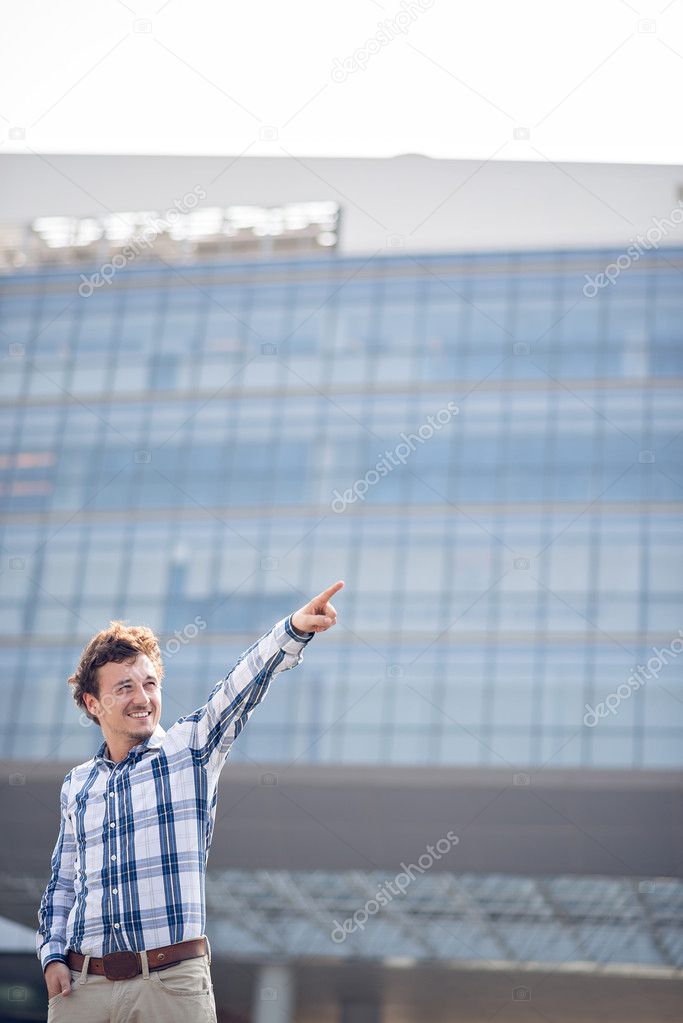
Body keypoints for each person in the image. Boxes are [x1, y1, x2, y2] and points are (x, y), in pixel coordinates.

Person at [36, 581, 343, 1022]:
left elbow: (239, 687)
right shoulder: (77, 785)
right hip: (83, 990)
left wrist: (293, 630)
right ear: (92, 702)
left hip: (171, 986)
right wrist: (51, 956)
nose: (142, 699)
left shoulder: (190, 750)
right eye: (124, 688)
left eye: (150, 684)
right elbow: (62, 884)